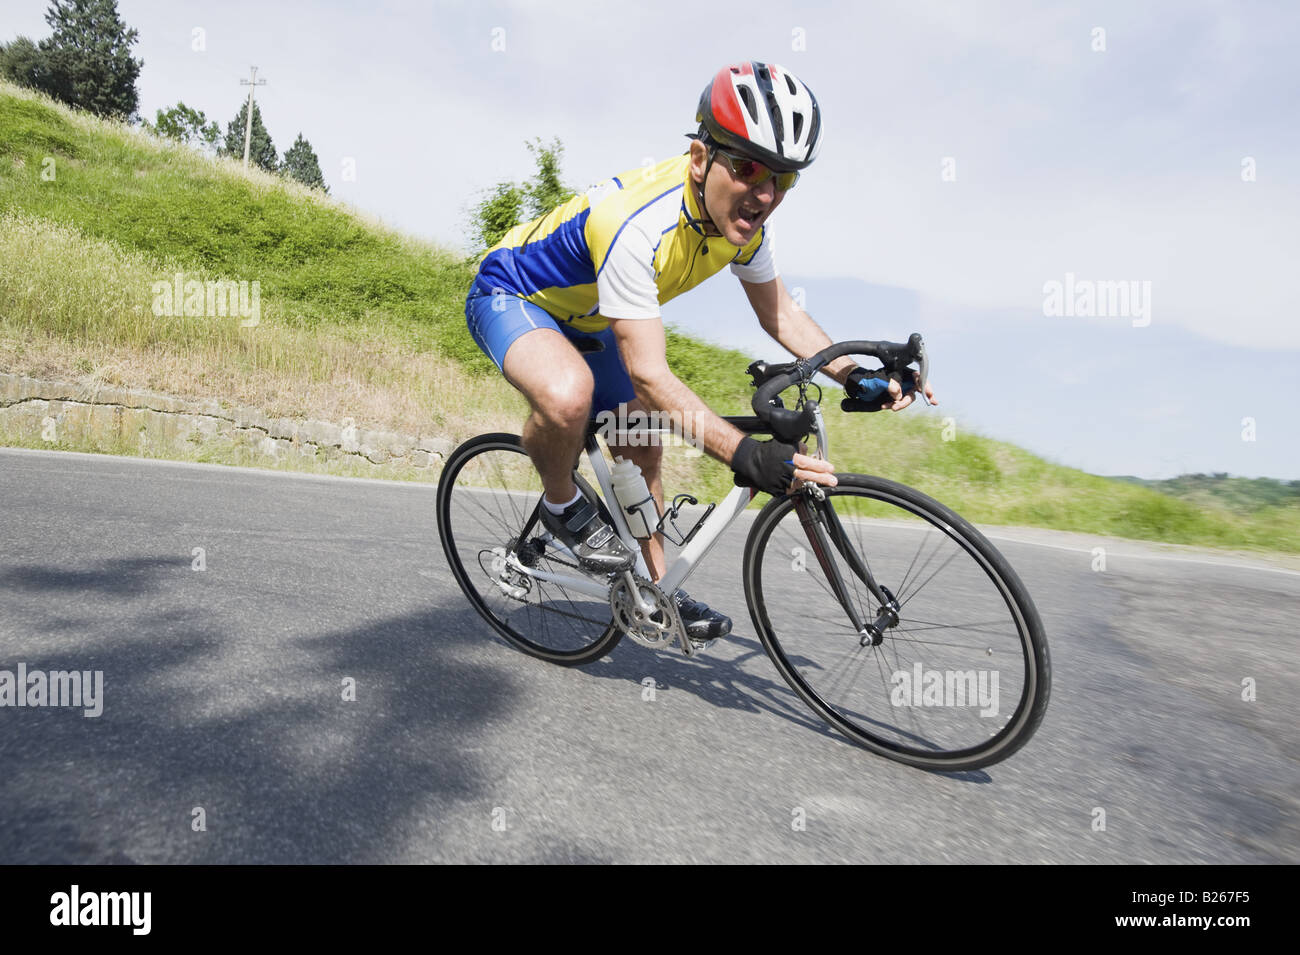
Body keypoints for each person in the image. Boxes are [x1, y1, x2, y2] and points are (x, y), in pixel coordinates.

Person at [464, 60, 935, 643]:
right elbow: (651, 373)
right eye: (747, 167)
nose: (763, 194)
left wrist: (853, 374)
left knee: (640, 436)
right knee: (568, 397)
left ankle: (654, 584)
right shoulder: (636, 226)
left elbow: (781, 314)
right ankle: (561, 506)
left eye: (782, 179)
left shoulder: (743, 225)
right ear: (698, 159)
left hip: (593, 316)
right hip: (514, 295)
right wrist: (744, 455)